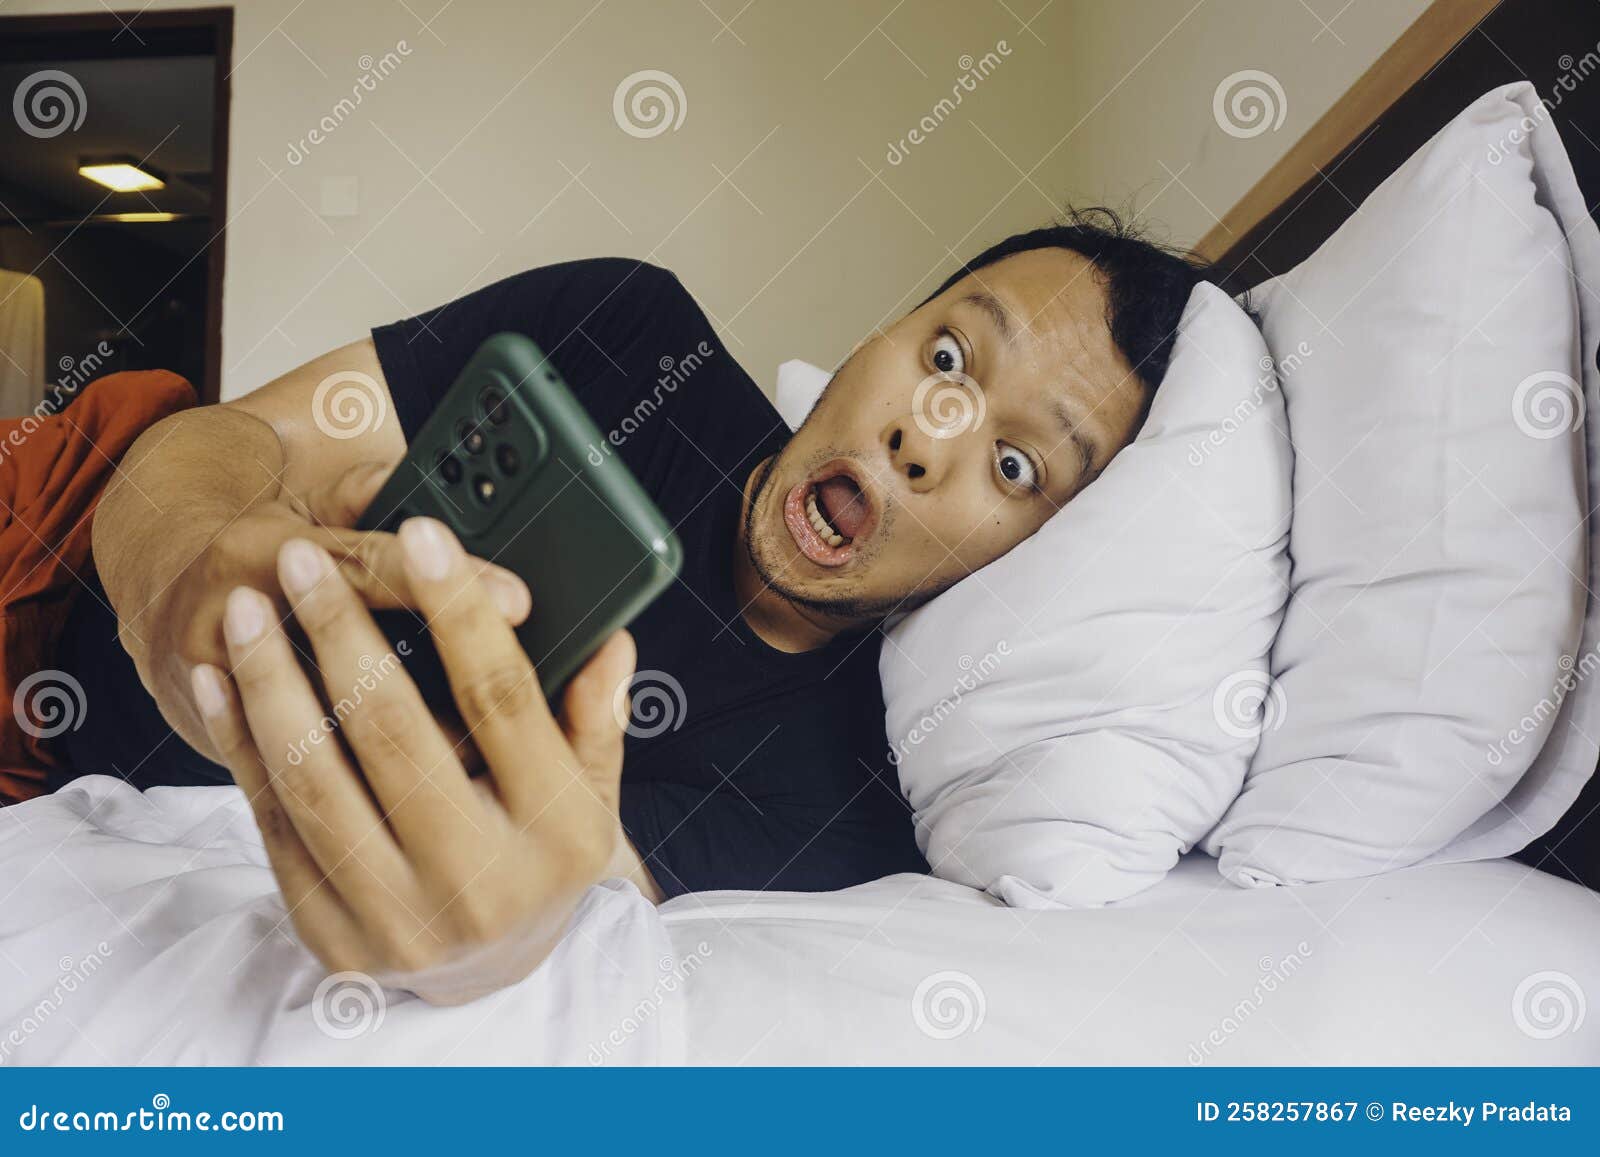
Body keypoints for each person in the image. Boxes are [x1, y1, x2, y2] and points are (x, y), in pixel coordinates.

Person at [56, 208, 1215, 1001]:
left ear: (1034, 561)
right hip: (56, 610)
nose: (928, 434)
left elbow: (522, 885)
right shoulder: (628, 331)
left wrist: (476, 941)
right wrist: (175, 562)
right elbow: (227, 440)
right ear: (881, 334)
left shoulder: (845, 802)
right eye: (949, 356)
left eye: (1014, 466)